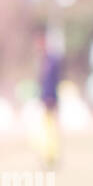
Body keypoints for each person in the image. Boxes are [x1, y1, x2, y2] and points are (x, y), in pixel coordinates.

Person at [36, 23, 63, 169]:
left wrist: (51, 98)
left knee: (51, 128)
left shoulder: (52, 60)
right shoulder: (44, 59)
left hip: (50, 100)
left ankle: (52, 156)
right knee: (46, 128)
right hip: (45, 99)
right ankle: (47, 155)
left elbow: (53, 81)